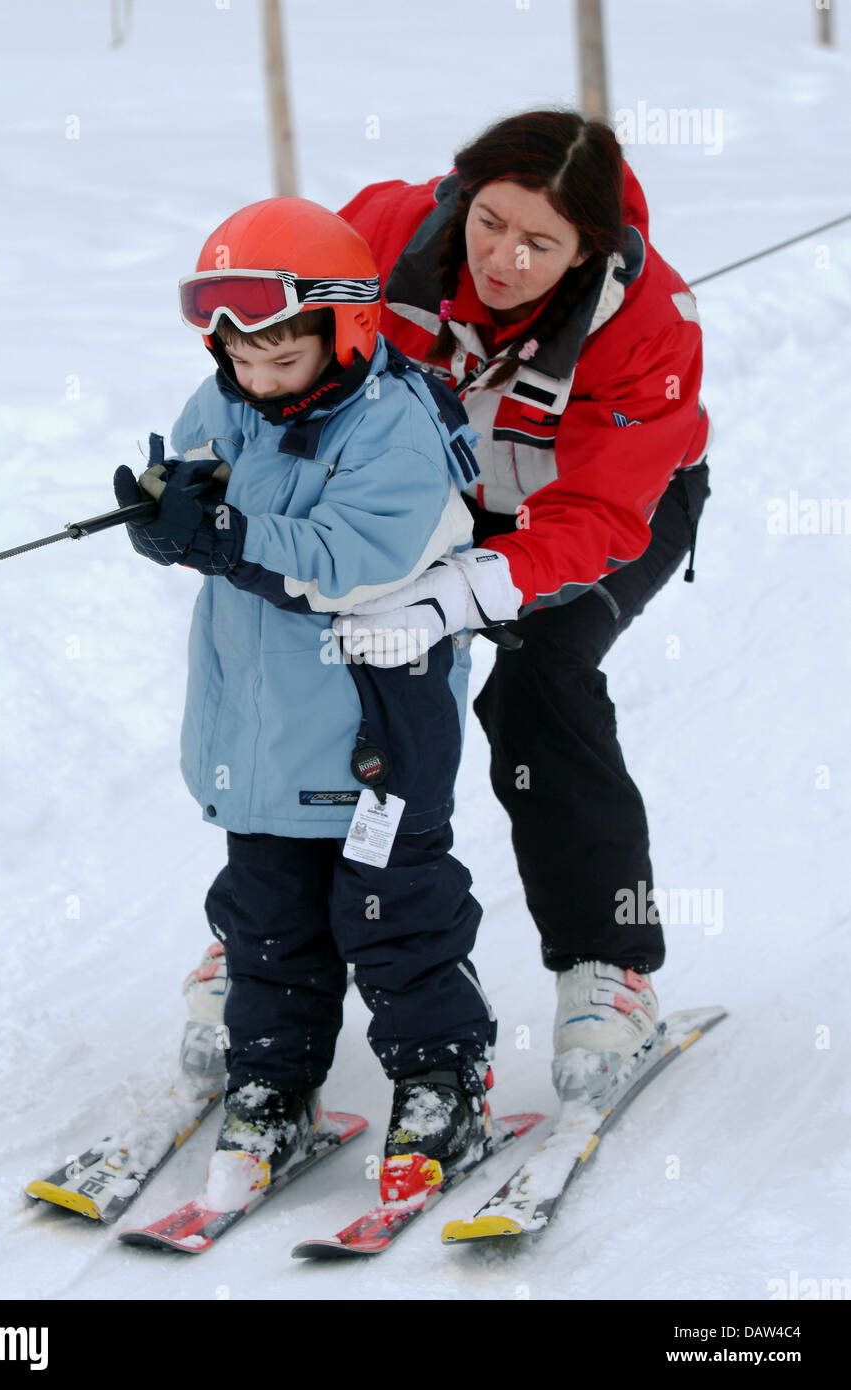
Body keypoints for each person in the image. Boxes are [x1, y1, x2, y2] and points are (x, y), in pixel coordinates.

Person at [112, 197, 501, 1181]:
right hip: (264, 722)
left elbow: (351, 562)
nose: (257, 380)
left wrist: (227, 539)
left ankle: (441, 1079)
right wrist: (169, 513)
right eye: (238, 358)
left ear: (348, 326)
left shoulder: (394, 425)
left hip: (375, 714)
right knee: (267, 919)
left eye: (282, 361)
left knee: (391, 911)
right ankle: (273, 1085)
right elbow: (199, 480)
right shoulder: (228, 398)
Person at [332, 110, 712, 1102]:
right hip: (442, 487)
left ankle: (608, 962)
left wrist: (464, 591)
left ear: (591, 247)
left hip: (606, 503)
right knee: (345, 663)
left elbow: (597, 510)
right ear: (463, 191)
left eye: (539, 244)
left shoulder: (649, 320)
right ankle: (276, 933)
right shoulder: (386, 229)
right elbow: (281, 349)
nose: (502, 258)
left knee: (540, 678)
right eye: (490, 221)